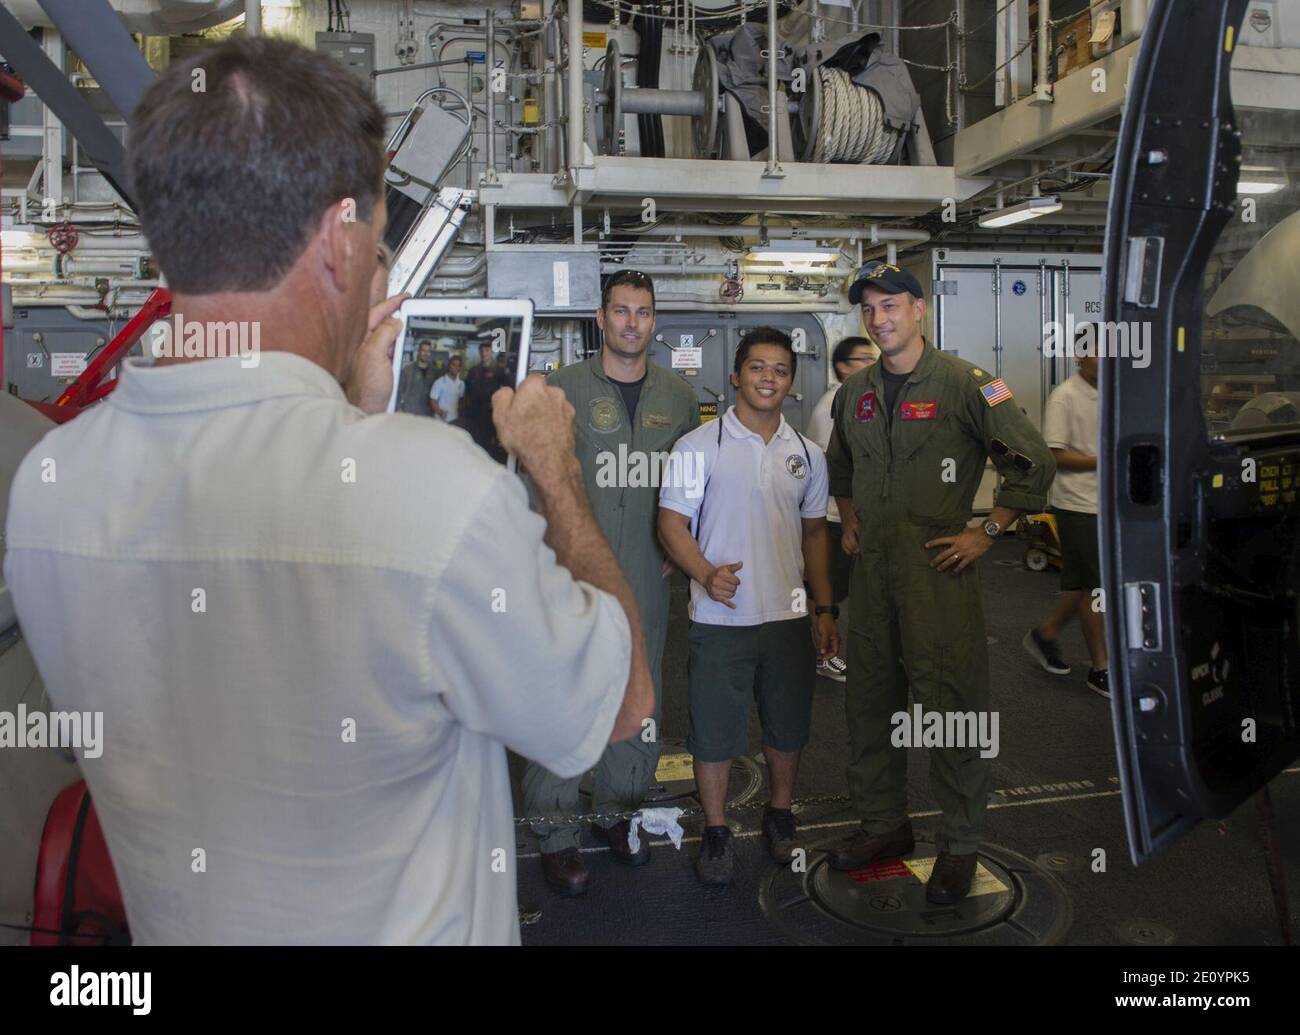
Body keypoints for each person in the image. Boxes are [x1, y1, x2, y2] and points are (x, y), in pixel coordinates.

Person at [2, 35, 654, 946]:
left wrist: (354, 411)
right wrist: (557, 473)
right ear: (340, 247)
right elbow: (622, 702)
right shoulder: (435, 496)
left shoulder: (47, 489)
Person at [822, 261, 1055, 904]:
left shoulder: (967, 384)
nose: (879, 318)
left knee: (950, 708)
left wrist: (991, 531)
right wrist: (847, 523)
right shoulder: (856, 392)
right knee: (870, 702)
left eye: (891, 304)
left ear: (918, 309)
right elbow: (840, 467)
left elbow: (1033, 459)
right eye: (869, 308)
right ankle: (883, 826)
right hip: (872, 576)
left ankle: (959, 843)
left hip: (938, 570)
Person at [521, 269, 700, 896]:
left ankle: (621, 817)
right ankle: (556, 832)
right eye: (621, 311)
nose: (632, 322)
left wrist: (683, 551)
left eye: (643, 312)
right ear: (600, 319)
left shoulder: (680, 396)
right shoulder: (560, 389)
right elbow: (532, 479)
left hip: (647, 575)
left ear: (655, 322)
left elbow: (693, 483)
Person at [659, 328, 837, 884]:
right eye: (757, 367)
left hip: (786, 618)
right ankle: (715, 829)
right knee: (713, 732)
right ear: (736, 376)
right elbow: (671, 526)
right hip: (720, 621)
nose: (768, 378)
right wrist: (706, 574)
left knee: (787, 728)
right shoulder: (697, 446)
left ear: (791, 380)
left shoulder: (807, 455)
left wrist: (824, 608)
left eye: (780, 369)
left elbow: (814, 536)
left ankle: (780, 812)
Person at [1023, 324, 1109, 698]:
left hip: (1109, 504)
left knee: (1082, 581)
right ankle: (1101, 669)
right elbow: (1054, 456)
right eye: (1098, 351)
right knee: (1095, 587)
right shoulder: (1065, 397)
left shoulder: (1115, 393)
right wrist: (1100, 461)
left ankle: (1045, 635)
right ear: (1081, 354)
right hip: (1078, 504)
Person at [805, 335, 877, 683]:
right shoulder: (835, 404)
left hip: (849, 514)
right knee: (827, 592)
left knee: (841, 589)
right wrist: (846, 517)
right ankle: (822, 654)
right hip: (833, 516)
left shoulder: (860, 398)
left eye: (871, 356)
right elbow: (830, 465)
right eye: (862, 359)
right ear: (842, 366)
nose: (871, 363)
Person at [464, 340, 506, 459]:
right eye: (482, 351)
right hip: (474, 412)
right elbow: (467, 392)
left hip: (490, 412)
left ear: (491, 352)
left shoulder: (498, 371)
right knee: (474, 440)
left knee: (489, 442)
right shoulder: (473, 371)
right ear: (479, 352)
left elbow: (504, 391)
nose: (484, 353)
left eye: (487, 351)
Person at [396, 338, 436, 415]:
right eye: (423, 350)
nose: (426, 353)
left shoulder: (434, 372)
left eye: (428, 351)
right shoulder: (408, 370)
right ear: (418, 352)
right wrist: (399, 408)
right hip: (410, 412)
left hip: (427, 414)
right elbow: (399, 391)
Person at [429, 353, 466, 424]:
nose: (456, 367)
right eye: (453, 365)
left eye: (458, 366)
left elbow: (461, 401)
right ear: (449, 366)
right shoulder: (439, 382)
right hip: (440, 421)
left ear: (460, 368)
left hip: (455, 420)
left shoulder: (461, 384)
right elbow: (432, 401)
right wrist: (440, 412)